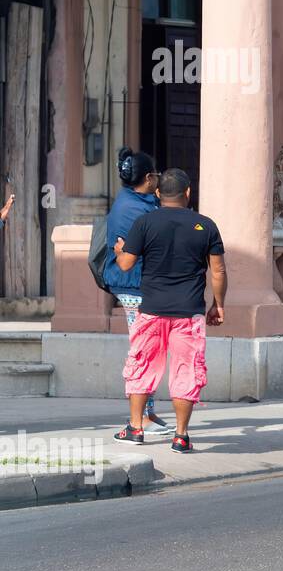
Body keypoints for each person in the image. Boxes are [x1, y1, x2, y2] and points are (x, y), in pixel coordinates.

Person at [112, 168, 226, 453]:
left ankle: (135, 428)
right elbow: (218, 271)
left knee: (142, 365)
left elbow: (125, 264)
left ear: (159, 193)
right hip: (188, 313)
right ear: (188, 193)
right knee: (187, 371)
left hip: (151, 311)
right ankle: (181, 435)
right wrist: (218, 304)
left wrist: (119, 251)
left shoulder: (144, 223)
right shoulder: (206, 225)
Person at [105, 148, 170, 436]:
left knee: (150, 349)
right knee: (143, 351)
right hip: (133, 286)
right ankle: (139, 418)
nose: (158, 179)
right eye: (155, 175)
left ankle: (149, 411)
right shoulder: (135, 208)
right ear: (148, 177)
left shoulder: (137, 201)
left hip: (140, 284)